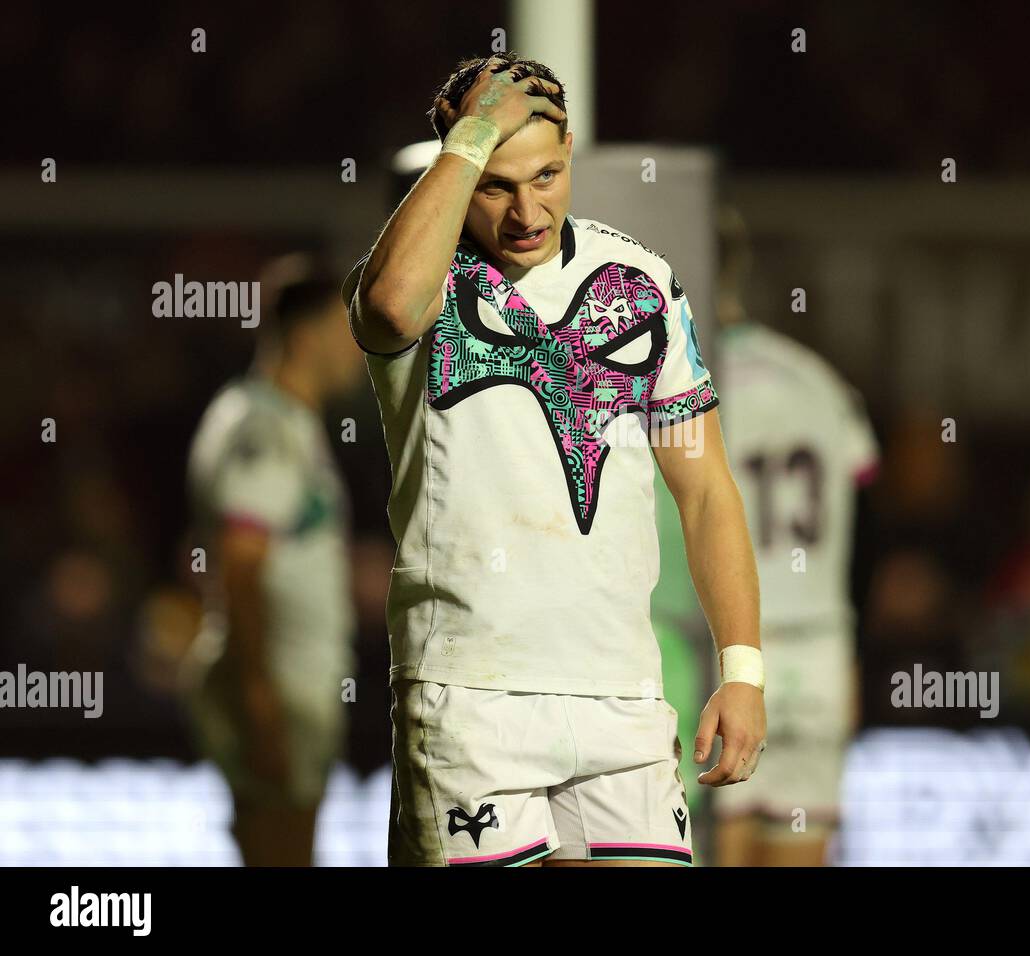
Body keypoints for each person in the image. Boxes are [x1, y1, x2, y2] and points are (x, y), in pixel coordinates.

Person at [343, 52, 765, 867]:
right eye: (496, 184)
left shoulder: (642, 284)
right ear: (458, 168)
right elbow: (389, 305)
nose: (525, 210)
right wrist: (470, 138)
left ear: (571, 147)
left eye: (546, 174)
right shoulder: (418, 282)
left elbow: (705, 487)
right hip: (471, 695)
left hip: (622, 696)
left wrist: (742, 668)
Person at [708, 205, 881, 866]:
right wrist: (853, 653)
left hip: (728, 653)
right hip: (819, 650)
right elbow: (865, 523)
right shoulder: (818, 380)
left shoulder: (676, 382)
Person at [182, 254, 364, 866]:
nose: (358, 347)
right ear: (308, 335)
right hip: (275, 689)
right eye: (346, 330)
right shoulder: (261, 427)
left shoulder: (289, 423)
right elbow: (239, 565)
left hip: (290, 686)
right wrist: (259, 698)